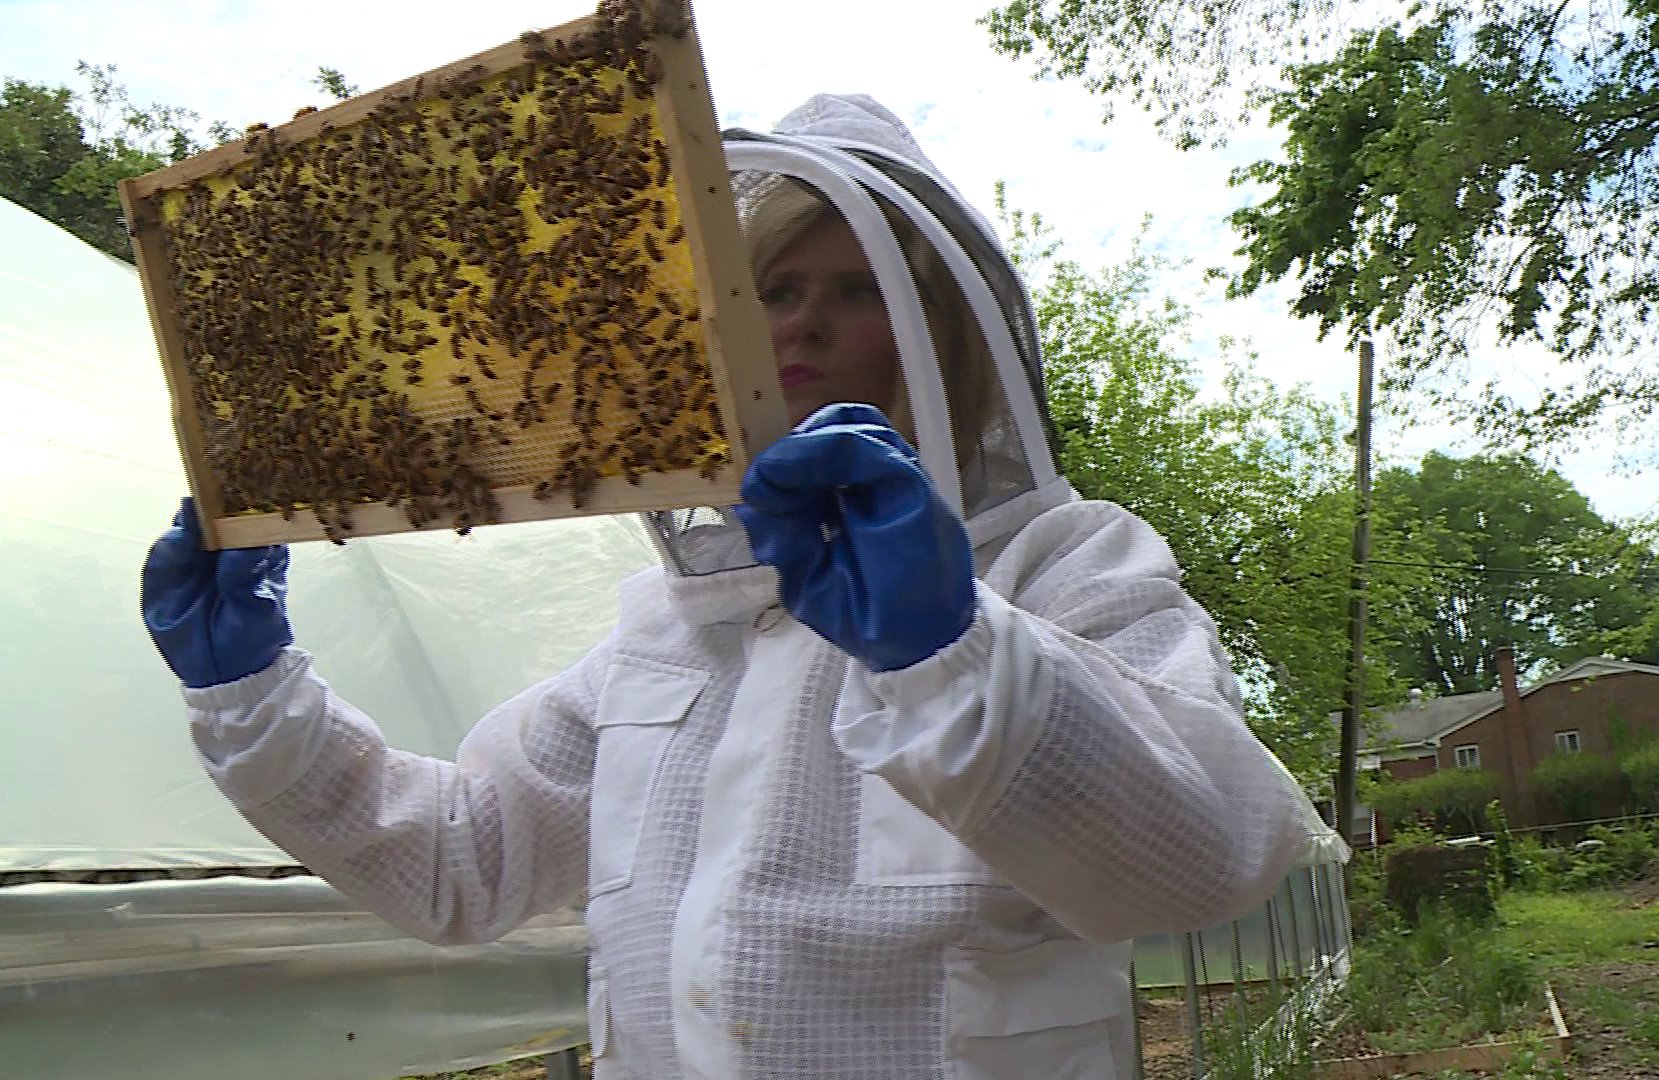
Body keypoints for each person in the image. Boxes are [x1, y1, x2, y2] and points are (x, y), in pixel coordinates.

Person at [140, 94, 1341, 1080]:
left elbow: (1205, 860)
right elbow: (463, 859)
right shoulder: (668, 629)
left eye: (860, 290)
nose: (806, 324)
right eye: (776, 290)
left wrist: (955, 652)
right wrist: (252, 697)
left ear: (944, 339)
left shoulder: (1069, 563)